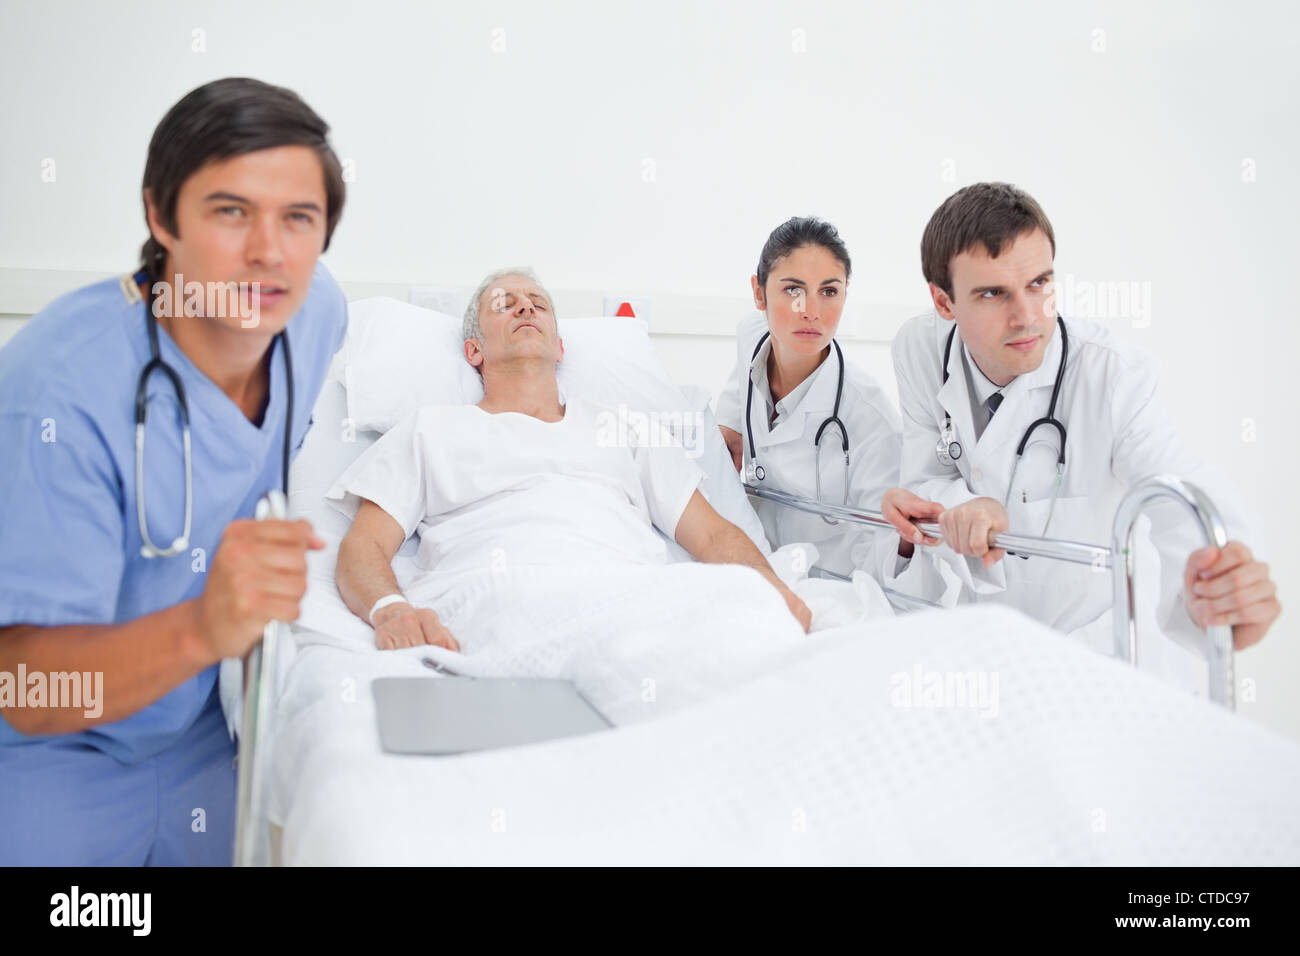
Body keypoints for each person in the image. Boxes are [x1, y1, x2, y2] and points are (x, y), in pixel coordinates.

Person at [0, 78, 350, 865]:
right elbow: (22, 689)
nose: (269, 250)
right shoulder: (58, 393)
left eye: (299, 218)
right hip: (50, 753)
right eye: (231, 211)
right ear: (161, 215)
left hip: (194, 733)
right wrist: (202, 628)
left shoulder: (315, 314)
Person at [877, 182, 1279, 669]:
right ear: (944, 303)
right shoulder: (919, 350)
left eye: (1039, 284)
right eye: (992, 293)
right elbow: (922, 478)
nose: (1027, 317)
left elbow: (1178, 491)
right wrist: (966, 505)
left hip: (1105, 650)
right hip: (992, 642)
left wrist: (1224, 581)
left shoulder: (1113, 376)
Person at [333, 268, 813, 649]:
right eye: (505, 304)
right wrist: (390, 609)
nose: (525, 306)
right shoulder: (429, 430)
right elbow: (363, 546)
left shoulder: (624, 428)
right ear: (473, 349)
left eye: (538, 304)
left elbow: (710, 533)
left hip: (634, 609)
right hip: (494, 602)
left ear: (559, 346)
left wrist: (770, 592)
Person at [715, 217, 902, 577]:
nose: (811, 311)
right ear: (759, 292)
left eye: (829, 291)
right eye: (792, 290)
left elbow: (887, 555)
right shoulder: (752, 338)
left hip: (830, 587)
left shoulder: (871, 419)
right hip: (753, 569)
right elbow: (743, 372)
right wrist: (730, 422)